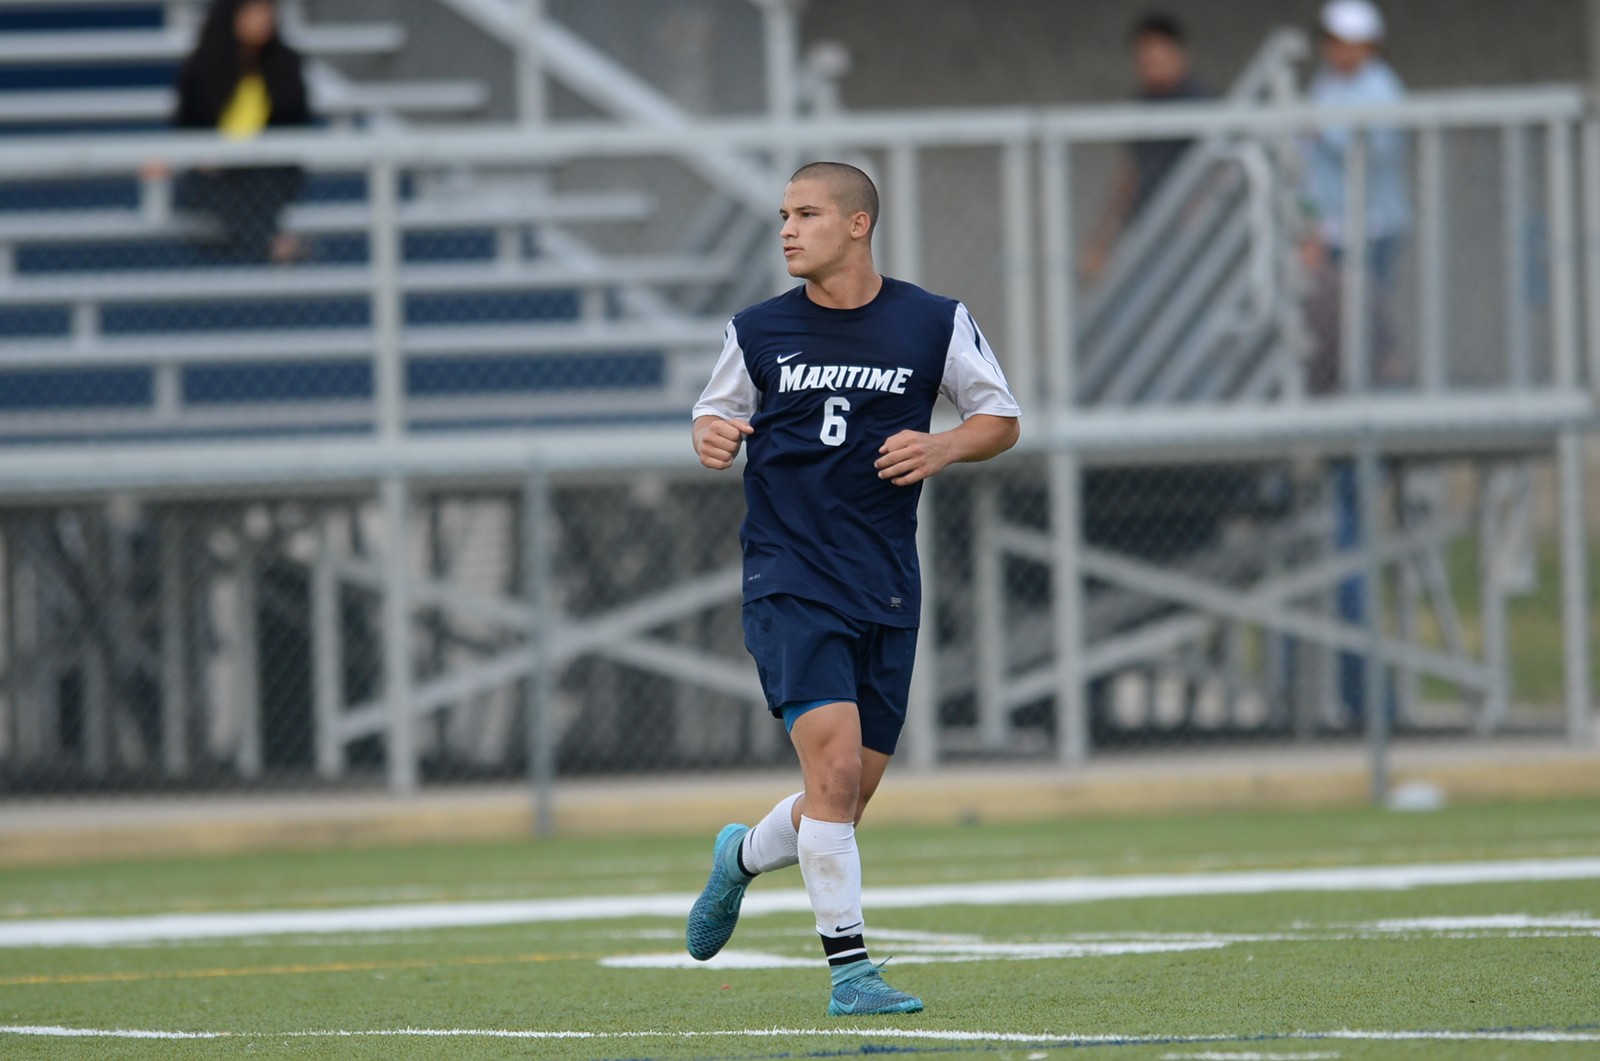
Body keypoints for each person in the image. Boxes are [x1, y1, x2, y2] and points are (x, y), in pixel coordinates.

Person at [686, 161, 1021, 1016]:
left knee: (844, 798)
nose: (789, 230)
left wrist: (942, 447)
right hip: (788, 573)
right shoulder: (757, 329)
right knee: (831, 768)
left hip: (884, 580)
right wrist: (713, 435)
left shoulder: (933, 321)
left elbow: (1001, 417)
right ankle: (851, 973)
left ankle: (740, 857)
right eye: (783, 216)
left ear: (858, 224)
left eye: (807, 213)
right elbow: (711, 411)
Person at [1299, 0, 1408, 724]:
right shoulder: (1326, 88)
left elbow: (1354, 149)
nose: (1341, 50)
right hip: (1333, 233)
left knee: (1360, 318)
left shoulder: (1378, 93)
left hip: (1368, 234)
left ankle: (1360, 382)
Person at [172, 0, 313, 263]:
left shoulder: (286, 64)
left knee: (262, 185)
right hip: (215, 176)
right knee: (205, 187)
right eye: (253, 11)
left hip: (269, 172)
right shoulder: (201, 68)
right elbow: (186, 127)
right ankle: (270, 244)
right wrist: (204, 155)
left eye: (267, 11)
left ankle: (262, 244)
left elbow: (297, 124)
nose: (263, 19)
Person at [1082, 12, 1211, 282]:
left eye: (1160, 60)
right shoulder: (1141, 108)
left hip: (1193, 236)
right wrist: (1102, 243)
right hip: (1148, 233)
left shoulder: (1204, 106)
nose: (1154, 69)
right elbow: (1128, 179)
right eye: (1146, 62)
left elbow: (1220, 173)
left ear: (1179, 55)